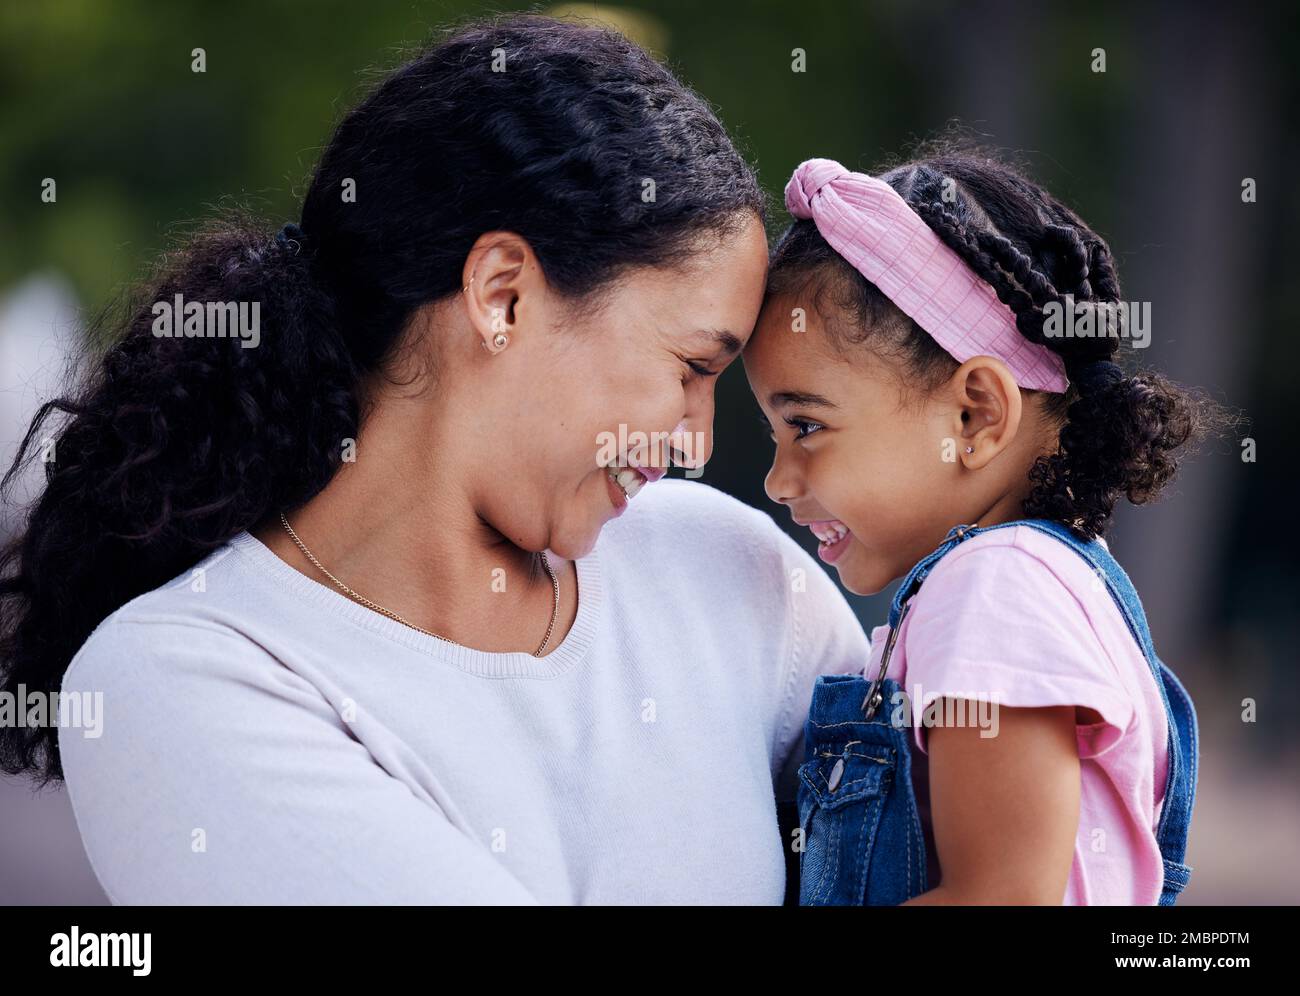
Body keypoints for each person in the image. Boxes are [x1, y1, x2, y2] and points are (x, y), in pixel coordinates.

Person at [0, 15, 871, 904]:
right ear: (503, 295)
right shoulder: (182, 677)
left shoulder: (737, 577)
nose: (697, 442)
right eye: (691, 370)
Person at [744, 149, 1227, 904]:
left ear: (976, 415)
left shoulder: (994, 588)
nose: (778, 481)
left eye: (805, 425)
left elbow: (1000, 897)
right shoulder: (1041, 580)